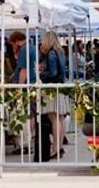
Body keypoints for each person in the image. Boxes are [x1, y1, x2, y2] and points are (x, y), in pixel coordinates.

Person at [40, 31, 69, 159]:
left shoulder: (51, 53)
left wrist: (41, 74)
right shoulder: (61, 52)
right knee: (60, 118)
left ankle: (55, 148)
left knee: (54, 118)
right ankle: (60, 147)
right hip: (61, 87)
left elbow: (52, 73)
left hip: (53, 88)